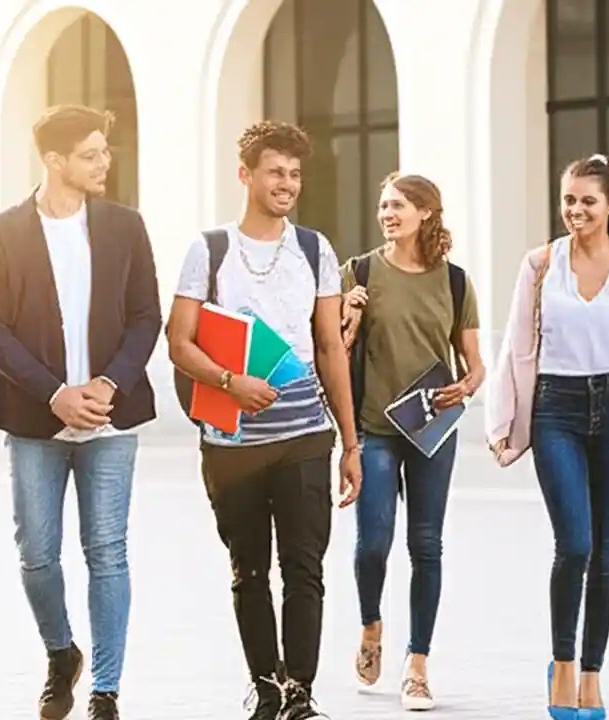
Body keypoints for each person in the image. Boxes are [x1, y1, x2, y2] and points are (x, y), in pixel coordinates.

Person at [166, 120, 362, 720]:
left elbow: (330, 347)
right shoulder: (210, 249)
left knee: (305, 570)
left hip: (306, 436)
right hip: (232, 443)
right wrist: (230, 382)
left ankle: (300, 692)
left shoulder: (314, 249)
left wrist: (350, 445)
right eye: (275, 172)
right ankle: (266, 686)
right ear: (245, 174)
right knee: (248, 568)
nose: (287, 184)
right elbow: (179, 341)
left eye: (295, 174)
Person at [0, 104, 162, 720]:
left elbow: (144, 317)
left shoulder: (125, 226)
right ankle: (62, 654)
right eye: (90, 154)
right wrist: (55, 392)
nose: (104, 162)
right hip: (35, 420)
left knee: (108, 550)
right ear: (55, 161)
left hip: (111, 418)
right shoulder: (1, 232)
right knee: (37, 552)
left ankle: (106, 690)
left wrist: (110, 382)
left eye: (105, 151)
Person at [484, 154, 609, 720]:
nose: (576, 210)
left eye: (588, 201)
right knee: (574, 545)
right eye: (569, 200)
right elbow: (516, 346)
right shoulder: (540, 265)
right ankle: (562, 665)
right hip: (556, 412)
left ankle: (592, 674)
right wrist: (502, 423)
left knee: (608, 552)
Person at [339, 172, 485, 711]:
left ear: (427, 212)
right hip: (375, 428)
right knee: (373, 541)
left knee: (426, 545)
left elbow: (474, 365)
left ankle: (417, 664)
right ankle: (371, 624)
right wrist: (347, 314)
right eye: (383, 206)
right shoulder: (357, 273)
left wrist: (467, 385)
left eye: (398, 205)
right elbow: (332, 350)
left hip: (430, 429)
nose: (387, 214)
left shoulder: (454, 281)